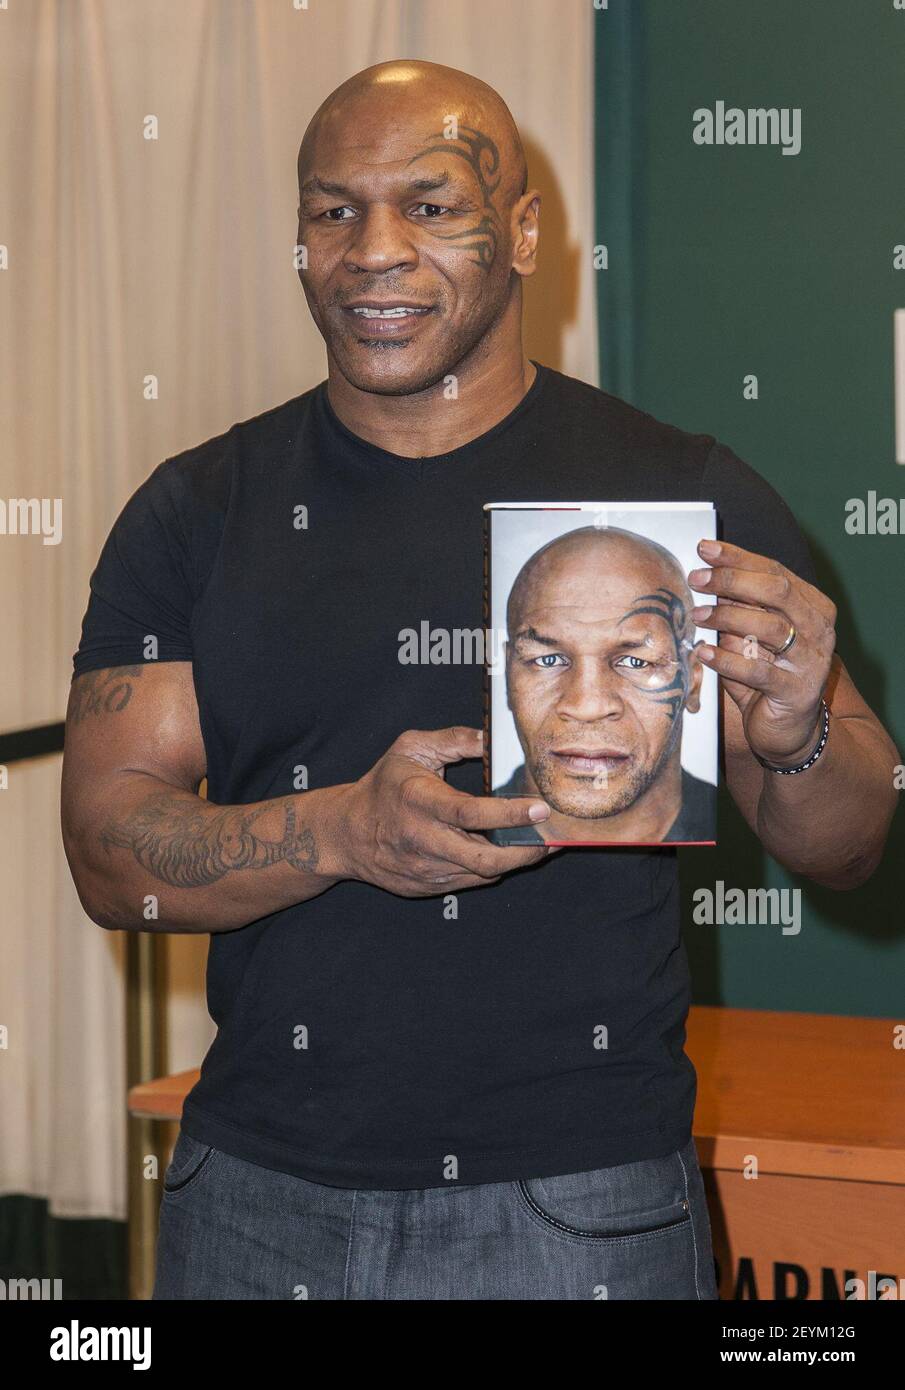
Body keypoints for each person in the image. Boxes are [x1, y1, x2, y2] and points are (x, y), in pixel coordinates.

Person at [61, 60, 898, 1301]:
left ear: (521, 230)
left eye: (431, 204)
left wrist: (792, 738)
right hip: (257, 1197)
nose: (372, 250)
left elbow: (850, 843)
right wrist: (339, 832)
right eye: (332, 209)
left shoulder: (683, 498)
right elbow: (108, 852)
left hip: (582, 1205)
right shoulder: (198, 510)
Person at [494, 525, 715, 845]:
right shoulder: (447, 832)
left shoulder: (746, 831)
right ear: (508, 675)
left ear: (693, 681)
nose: (587, 707)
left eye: (636, 662)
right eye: (548, 660)